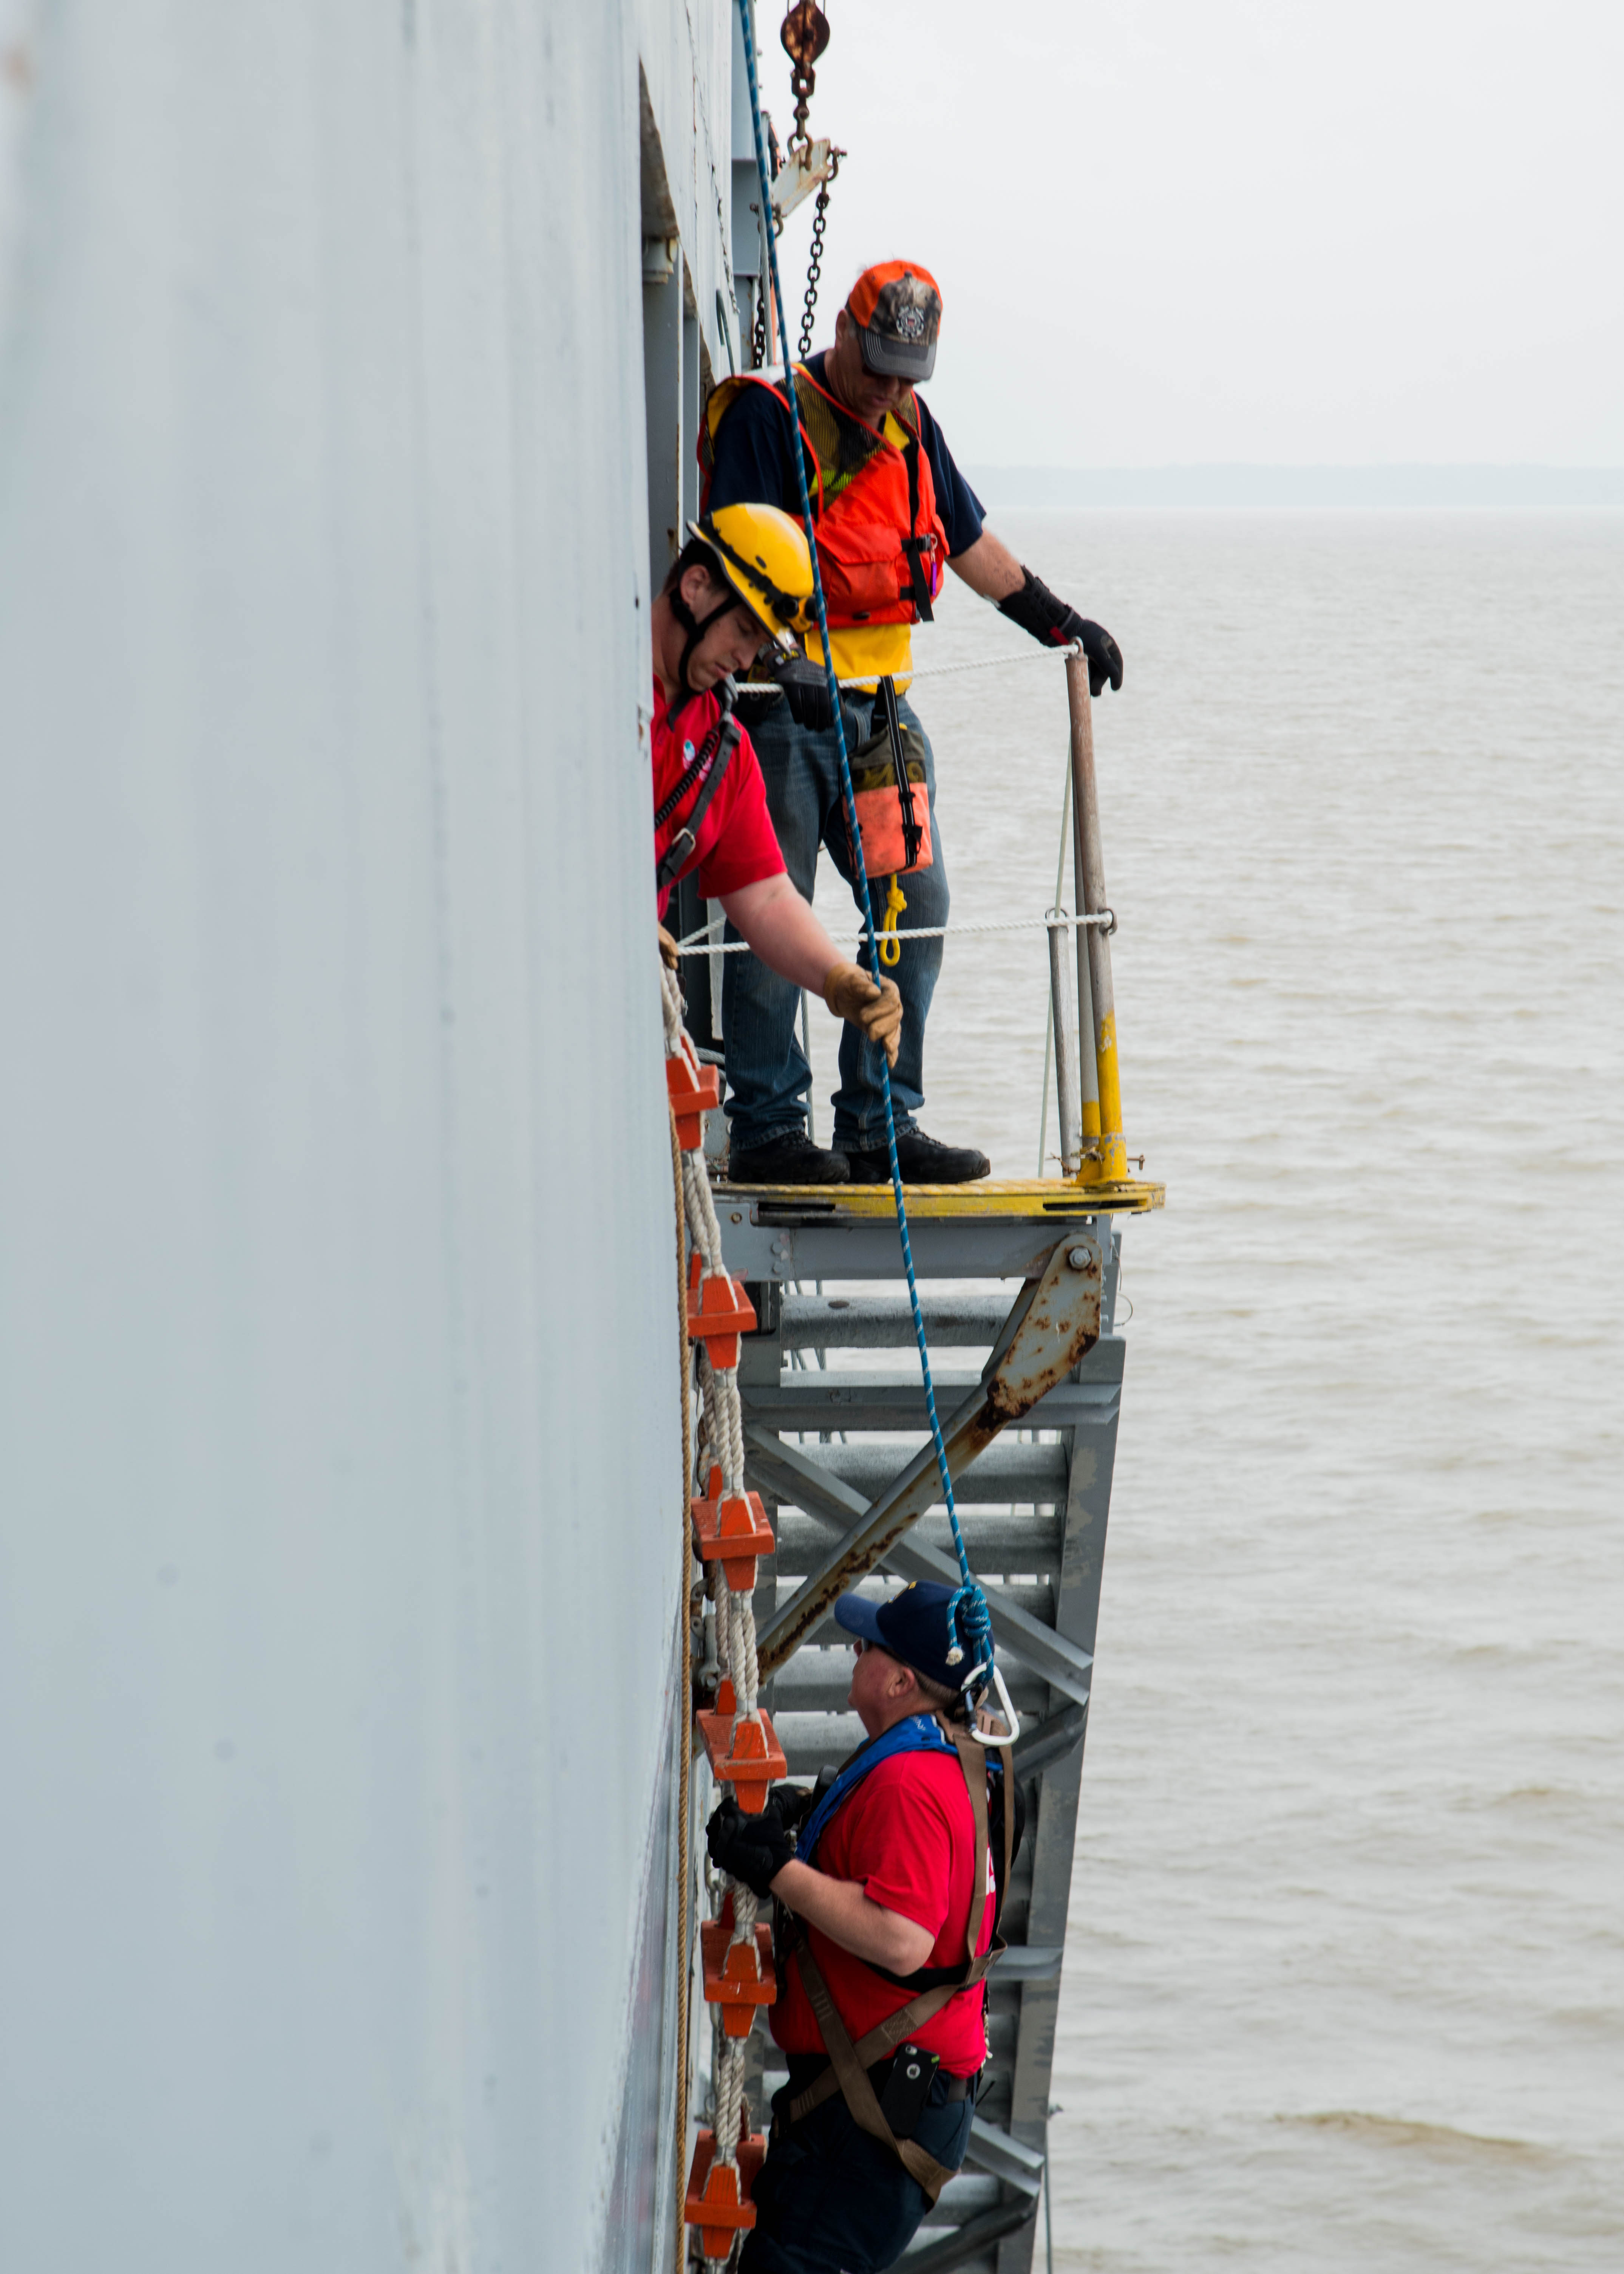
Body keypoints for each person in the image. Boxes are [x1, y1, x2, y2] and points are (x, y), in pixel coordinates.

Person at [702, 259, 1125, 1187]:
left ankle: (878, 1123)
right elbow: (727, 558)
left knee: (917, 904)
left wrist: (1065, 624)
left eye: (909, 376)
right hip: (779, 713)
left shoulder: (911, 427)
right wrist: (780, 664)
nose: (892, 391)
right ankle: (771, 1126)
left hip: (883, 717)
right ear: (846, 335)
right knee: (775, 909)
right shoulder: (769, 420)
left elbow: (965, 544)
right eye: (880, 369)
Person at [706, 1580, 1015, 2274]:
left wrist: (777, 1869)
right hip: (886, 2104)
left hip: (873, 2120)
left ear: (902, 1680)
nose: (854, 1649)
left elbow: (903, 1938)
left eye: (869, 1644)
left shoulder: (910, 1784)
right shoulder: (952, 1754)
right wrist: (813, 1816)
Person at [651, 502, 901, 1072]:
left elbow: (765, 896)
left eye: (759, 642)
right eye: (742, 629)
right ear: (695, 585)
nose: (744, 659)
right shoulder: (586, 676)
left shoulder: (723, 750)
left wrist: (840, 982)